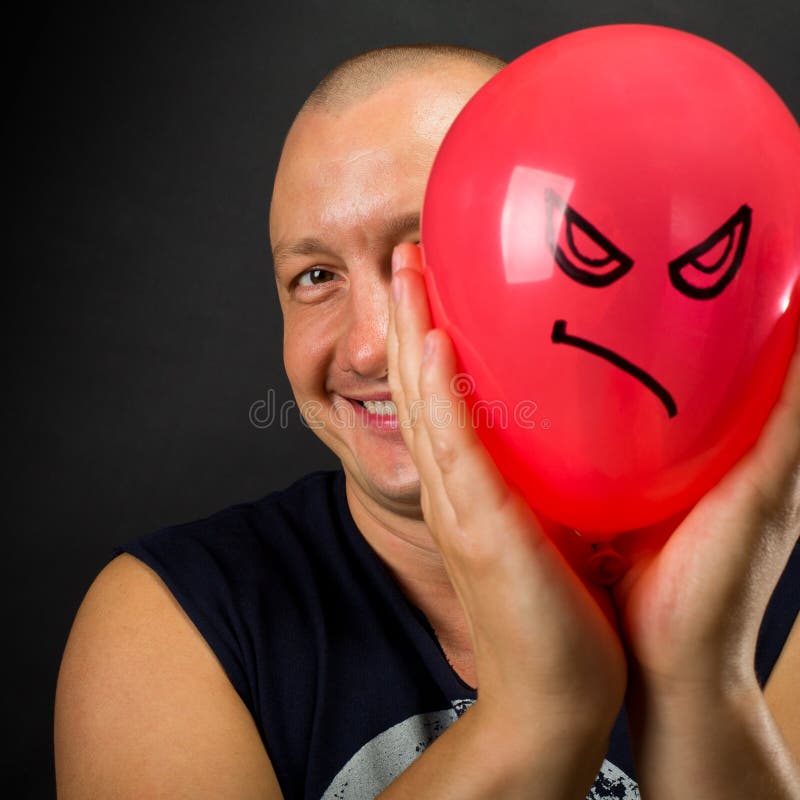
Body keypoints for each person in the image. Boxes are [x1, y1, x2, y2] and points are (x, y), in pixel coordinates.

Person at [54, 44, 800, 799]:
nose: (370, 347)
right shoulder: (176, 617)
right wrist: (537, 711)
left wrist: (697, 688)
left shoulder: (782, 602)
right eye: (316, 277)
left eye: (425, 249)